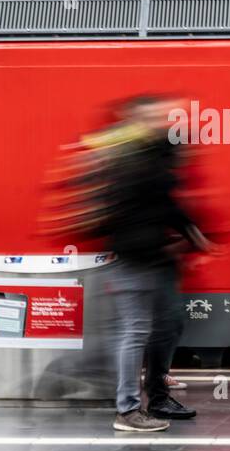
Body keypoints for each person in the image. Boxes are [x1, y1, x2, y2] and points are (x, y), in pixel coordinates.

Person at [91, 95, 216, 432]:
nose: (161, 122)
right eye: (153, 117)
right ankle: (128, 409)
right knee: (134, 331)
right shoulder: (130, 159)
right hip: (136, 257)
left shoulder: (147, 154)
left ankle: (153, 395)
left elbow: (167, 201)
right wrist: (194, 235)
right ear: (133, 120)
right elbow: (163, 204)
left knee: (164, 324)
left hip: (152, 257)